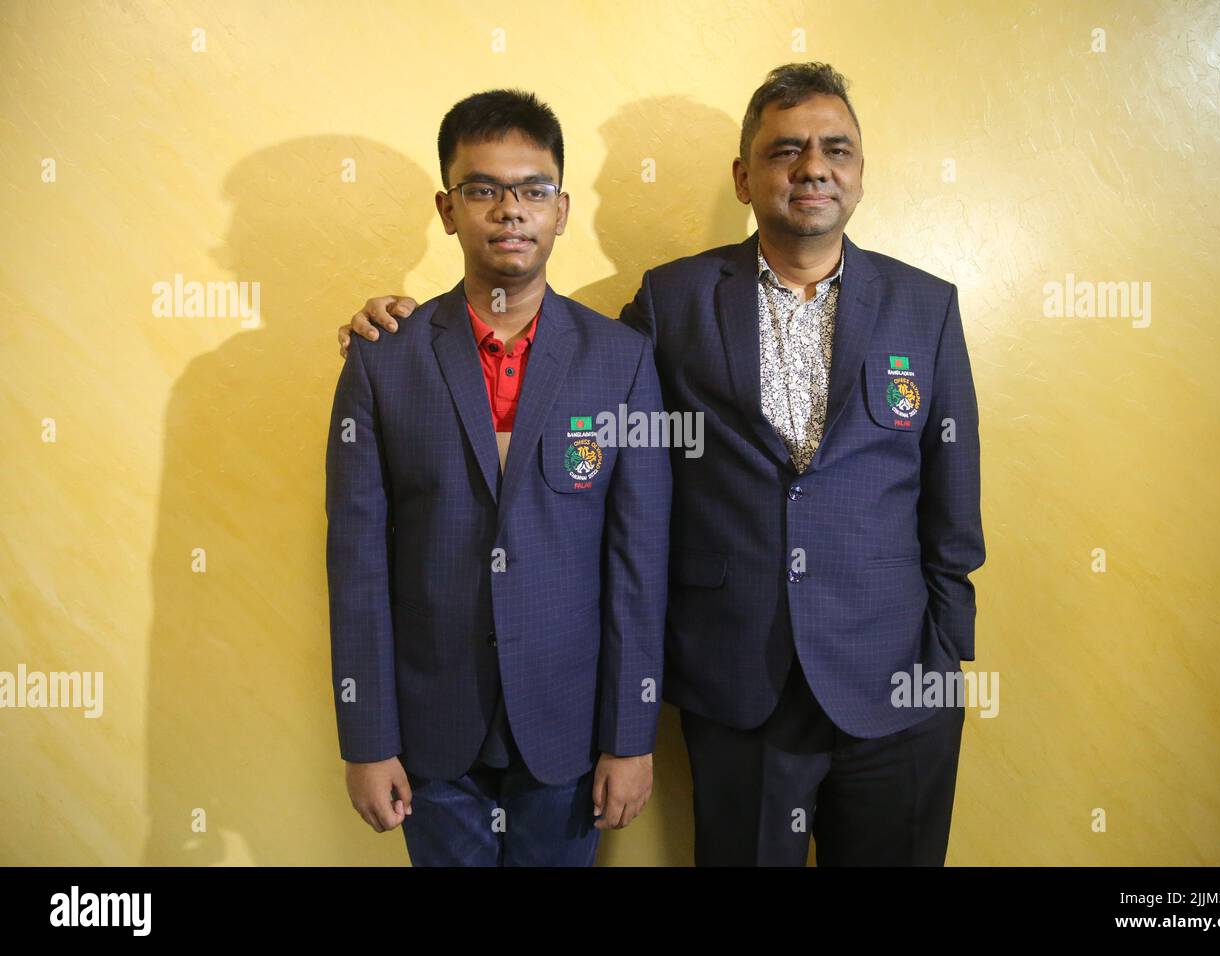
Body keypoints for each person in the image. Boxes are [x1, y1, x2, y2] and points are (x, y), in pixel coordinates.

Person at [338, 63, 984, 866]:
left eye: (835, 149)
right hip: (742, 684)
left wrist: (948, 658)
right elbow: (550, 359)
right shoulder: (673, 303)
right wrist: (395, 321)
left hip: (897, 681)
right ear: (745, 177)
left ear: (859, 170)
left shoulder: (926, 306)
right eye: (785, 151)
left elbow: (954, 501)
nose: (812, 167)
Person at [325, 88, 670, 866]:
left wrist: (630, 735)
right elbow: (357, 568)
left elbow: (638, 567)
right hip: (429, 732)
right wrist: (367, 739)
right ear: (448, 209)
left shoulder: (620, 361)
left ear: (561, 209)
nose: (510, 209)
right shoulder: (384, 359)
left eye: (532, 190)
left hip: (569, 730)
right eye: (483, 188)